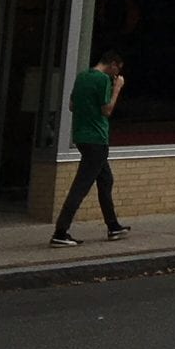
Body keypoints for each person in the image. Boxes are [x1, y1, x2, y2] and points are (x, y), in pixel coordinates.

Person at [49, 51, 130, 248]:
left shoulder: (82, 77)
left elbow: (71, 105)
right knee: (81, 186)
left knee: (106, 180)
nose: (116, 75)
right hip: (97, 139)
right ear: (112, 64)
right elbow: (107, 110)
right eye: (117, 70)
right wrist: (117, 88)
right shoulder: (103, 80)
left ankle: (113, 226)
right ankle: (61, 231)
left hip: (81, 136)